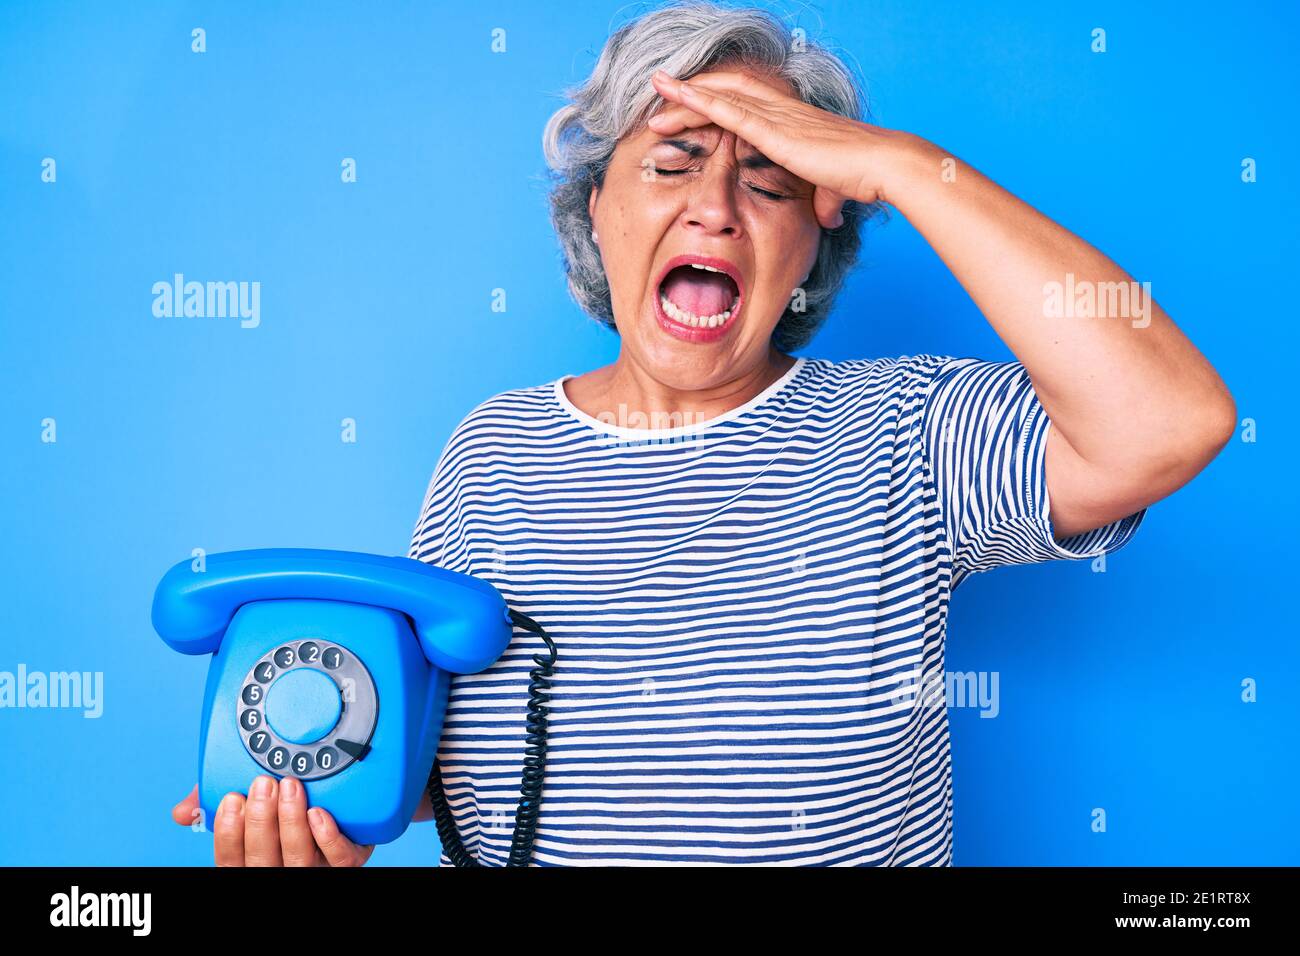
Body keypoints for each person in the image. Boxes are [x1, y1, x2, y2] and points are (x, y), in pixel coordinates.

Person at [174, 0, 1234, 866]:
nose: (717, 208)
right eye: (673, 161)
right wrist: (324, 810)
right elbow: (458, 764)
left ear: (818, 232)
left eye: (768, 174)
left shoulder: (911, 429)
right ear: (595, 208)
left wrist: (908, 166)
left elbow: (1170, 419)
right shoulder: (491, 451)